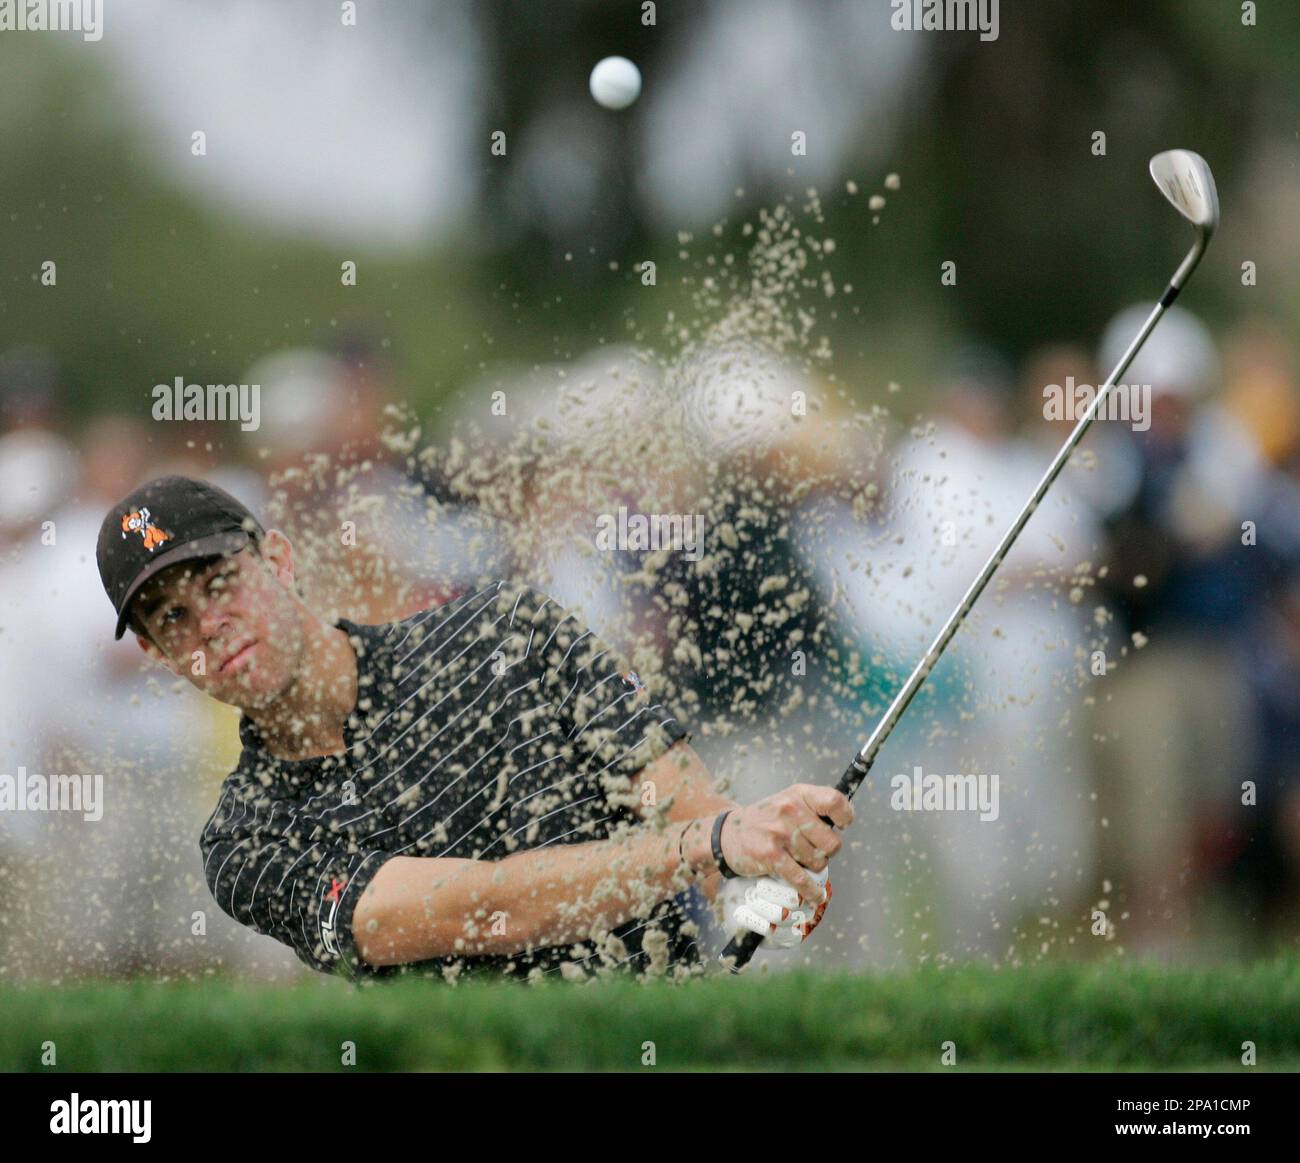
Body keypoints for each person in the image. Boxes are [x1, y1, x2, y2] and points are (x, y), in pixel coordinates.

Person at [95, 475, 847, 982]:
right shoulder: (246, 843)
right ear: (160, 656)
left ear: (279, 560)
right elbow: (479, 908)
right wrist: (703, 848)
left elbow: (683, 803)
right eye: (174, 617)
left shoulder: (506, 630)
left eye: (220, 581)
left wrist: (753, 867)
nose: (211, 624)